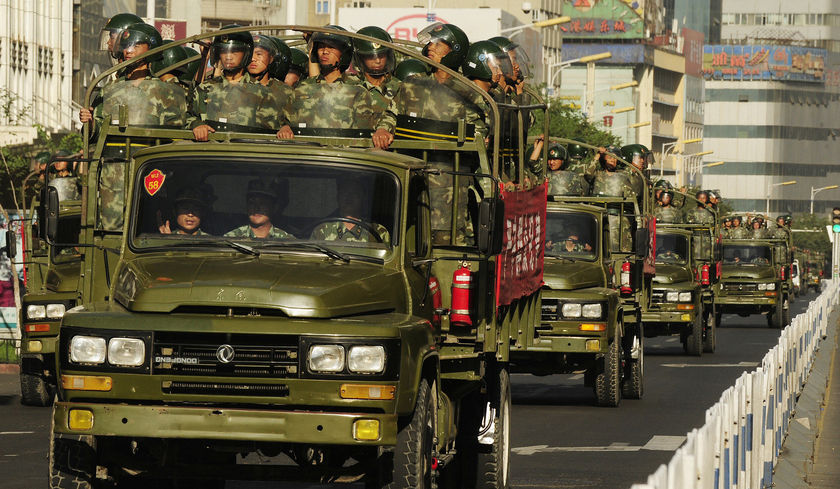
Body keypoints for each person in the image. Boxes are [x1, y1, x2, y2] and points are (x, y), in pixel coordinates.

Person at [292, 26, 389, 147]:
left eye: (331, 47)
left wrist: (382, 130)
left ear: (344, 54)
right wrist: (286, 127)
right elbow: (290, 118)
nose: (325, 51)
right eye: (321, 47)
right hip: (311, 153)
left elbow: (375, 122)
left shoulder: (357, 88)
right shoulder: (305, 86)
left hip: (346, 155)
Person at [189, 25, 287, 141]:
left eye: (234, 51)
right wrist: (196, 124)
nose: (228, 56)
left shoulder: (263, 94)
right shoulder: (204, 89)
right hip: (210, 153)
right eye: (224, 51)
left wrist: (285, 128)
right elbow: (188, 115)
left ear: (246, 53)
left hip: (244, 155)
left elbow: (272, 131)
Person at [310, 178, 390, 244]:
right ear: (338, 197)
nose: (349, 197)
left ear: (362, 198)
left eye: (355, 193)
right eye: (344, 192)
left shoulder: (378, 232)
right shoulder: (322, 230)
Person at [248, 34, 294, 139]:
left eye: (259, 54)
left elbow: (293, 121)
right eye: (250, 54)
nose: (253, 59)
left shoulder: (285, 91)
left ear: (271, 58)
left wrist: (286, 127)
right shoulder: (236, 85)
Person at [351, 26, 400, 113]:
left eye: (382, 55)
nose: (378, 61)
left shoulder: (399, 87)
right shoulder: (350, 86)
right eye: (371, 56)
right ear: (361, 58)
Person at [225, 179, 292, 239]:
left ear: (274, 208)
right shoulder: (231, 238)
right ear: (247, 207)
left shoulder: (287, 241)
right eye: (252, 203)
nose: (257, 208)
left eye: (263, 203)